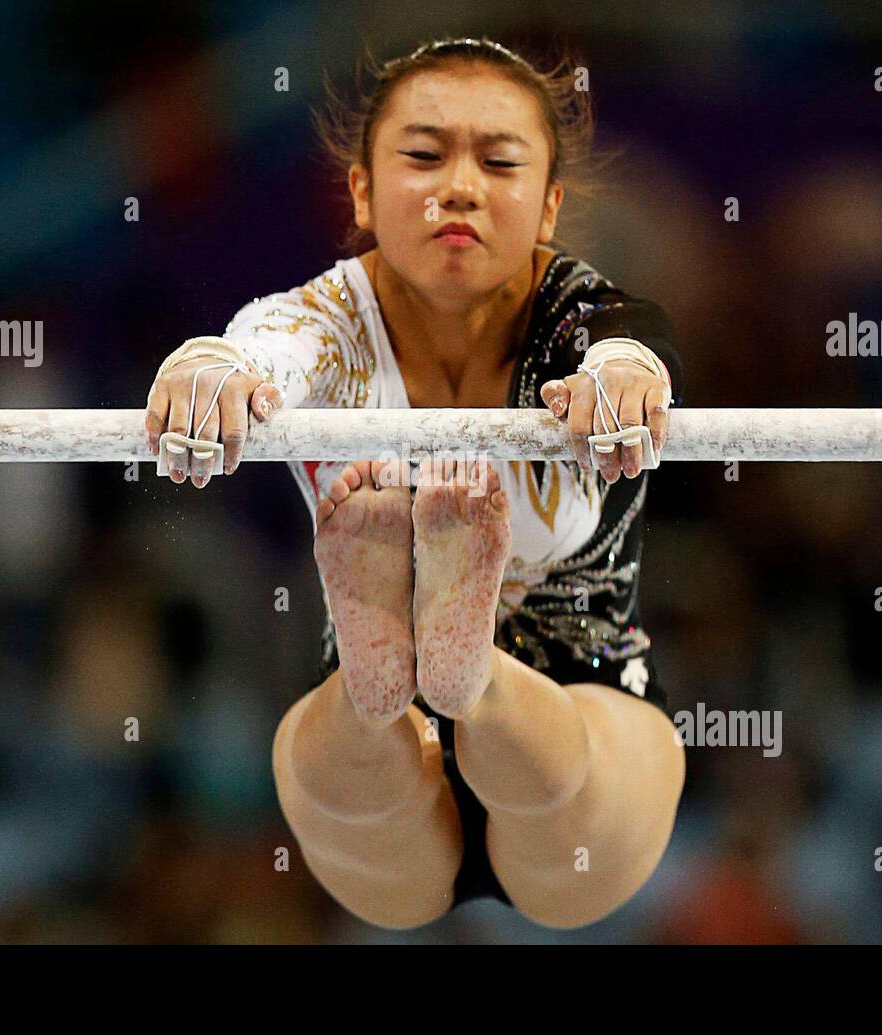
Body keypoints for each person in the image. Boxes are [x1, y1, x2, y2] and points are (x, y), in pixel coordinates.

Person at [143, 37, 685, 929]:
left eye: (499, 161)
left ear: (549, 206)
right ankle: (388, 676)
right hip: (395, 726)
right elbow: (266, 344)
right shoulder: (323, 323)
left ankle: (466, 679)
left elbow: (627, 336)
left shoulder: (585, 319)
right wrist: (213, 367)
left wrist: (626, 374)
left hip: (583, 691)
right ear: (361, 191)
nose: (460, 185)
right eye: (424, 154)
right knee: (360, 791)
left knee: (556, 792)